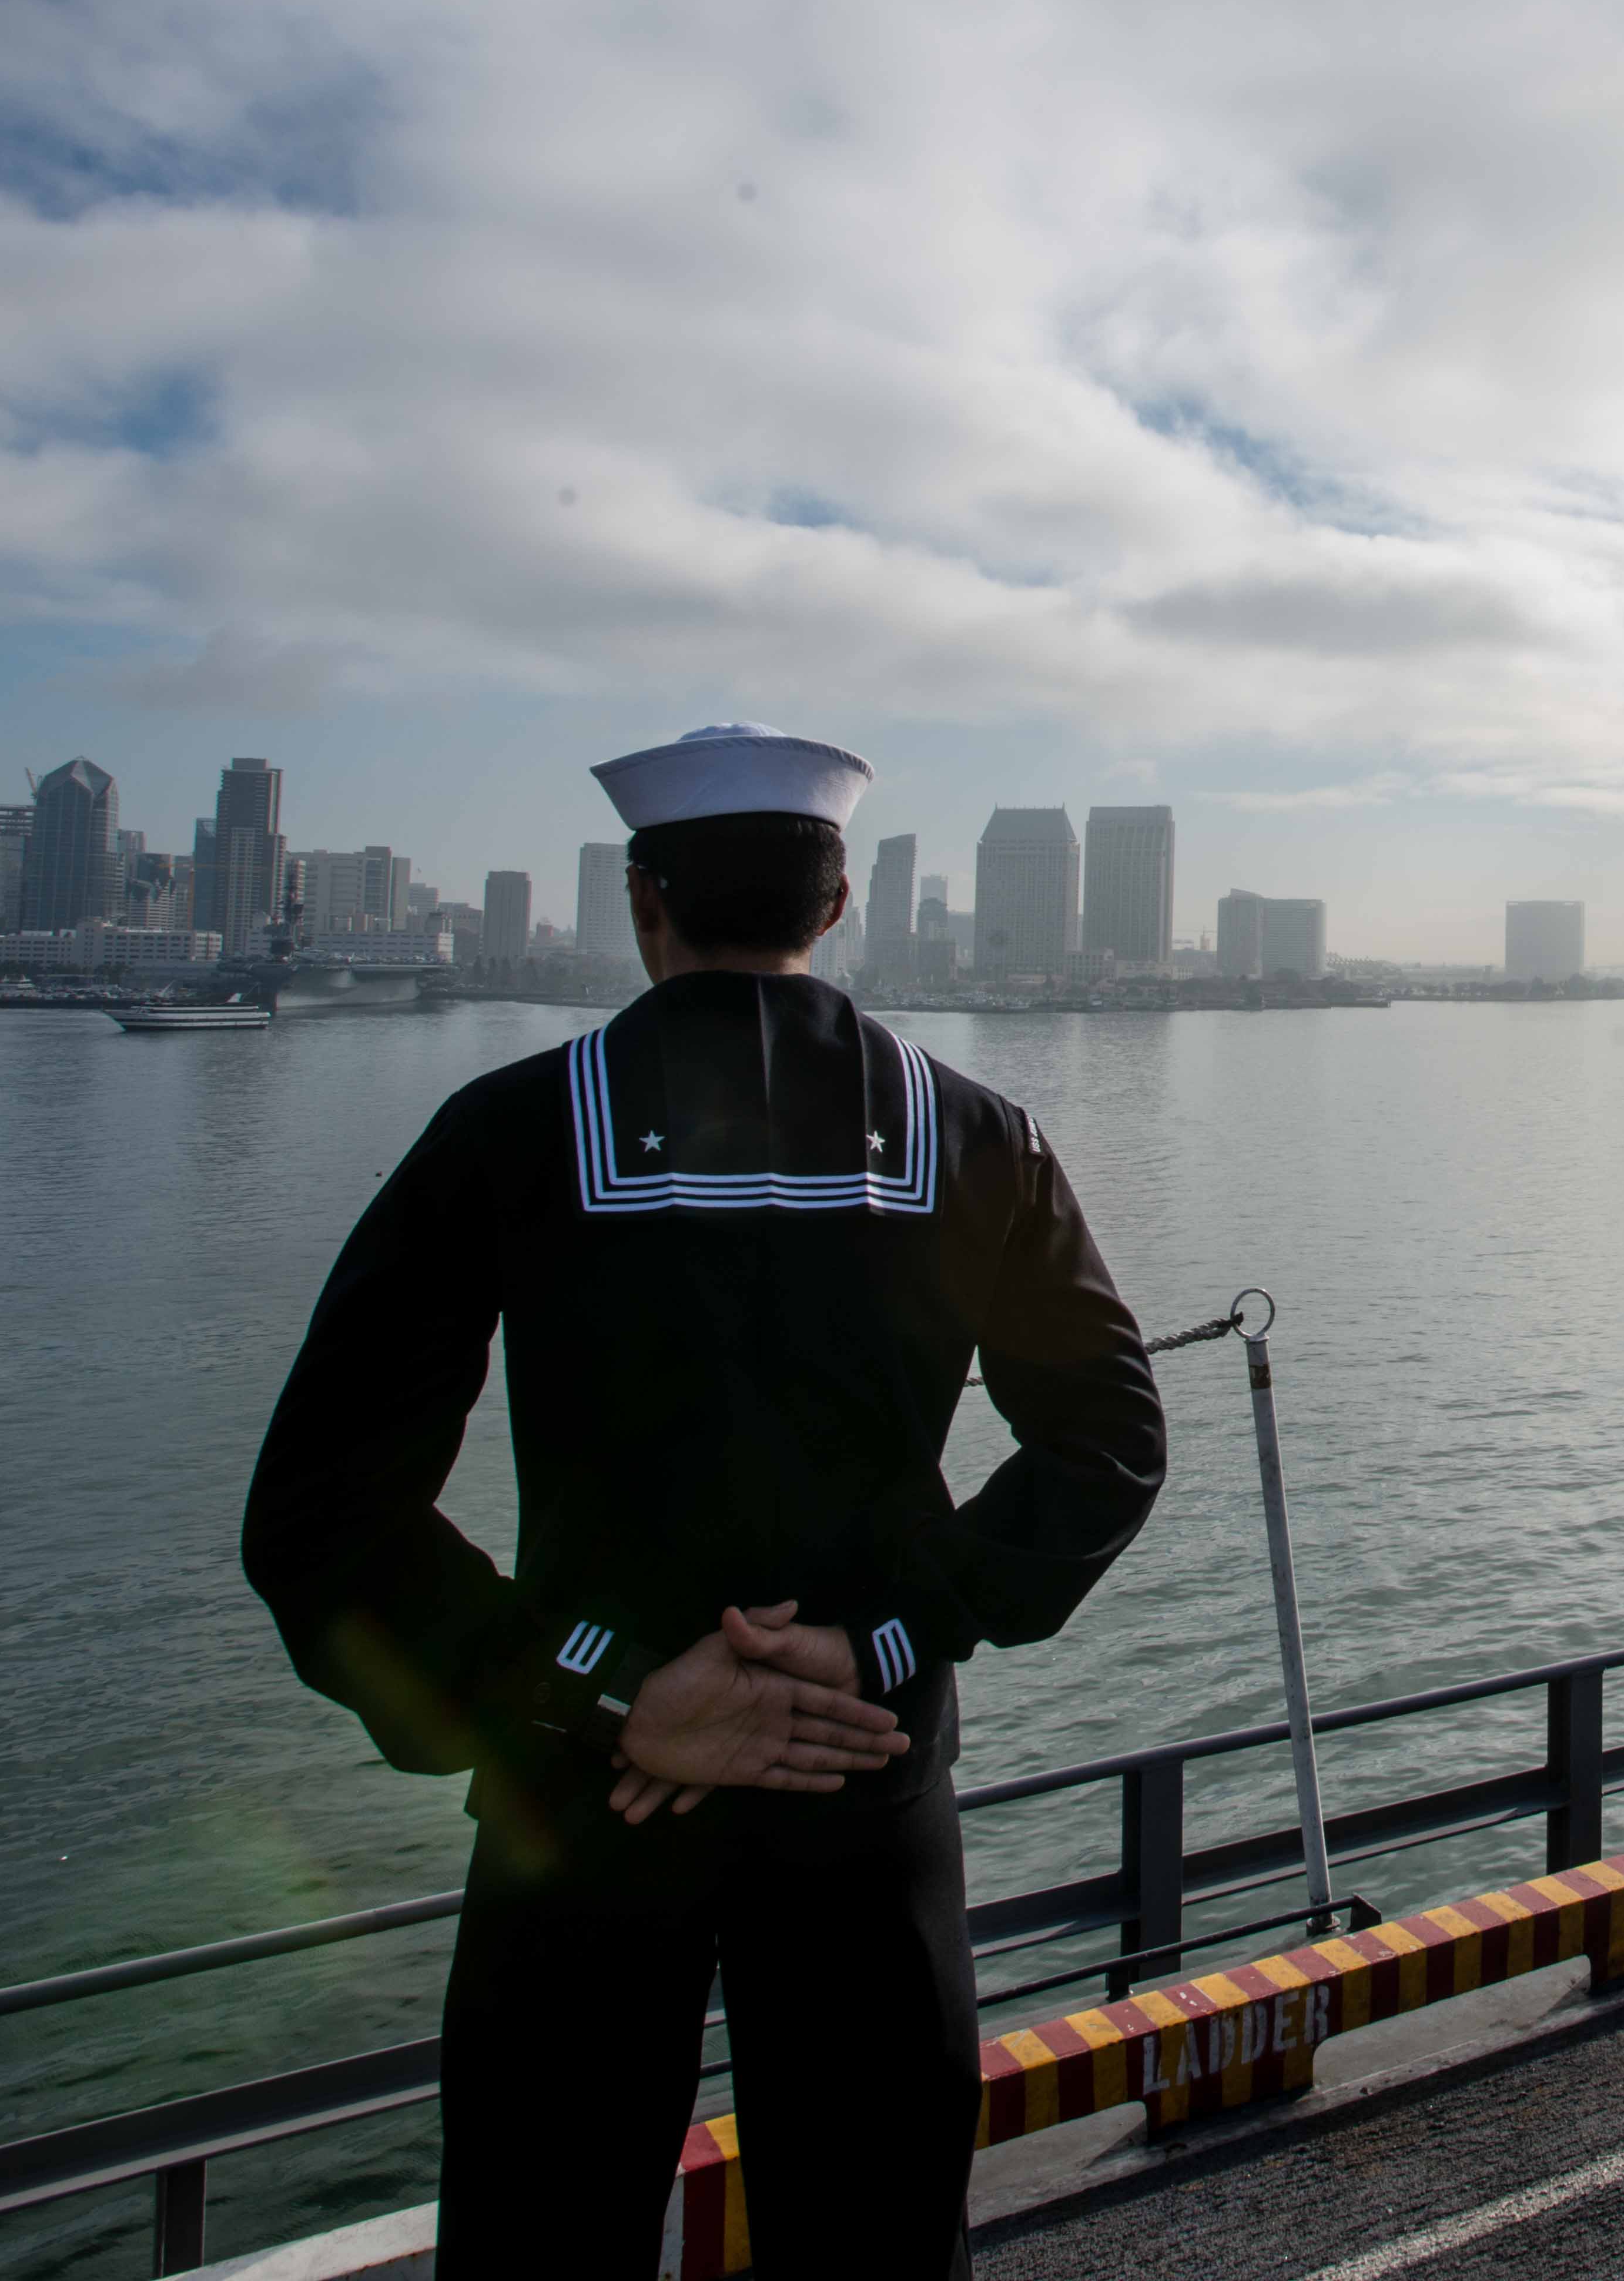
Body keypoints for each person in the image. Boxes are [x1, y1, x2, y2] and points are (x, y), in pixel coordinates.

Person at [242, 725, 1168, 2279]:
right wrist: (886, 1641)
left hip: (585, 1803)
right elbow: (1109, 1444)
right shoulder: (974, 1138)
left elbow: (321, 1512)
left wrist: (602, 1694)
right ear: (840, 899)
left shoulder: (511, 1136)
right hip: (865, 1785)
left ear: (641, 901)